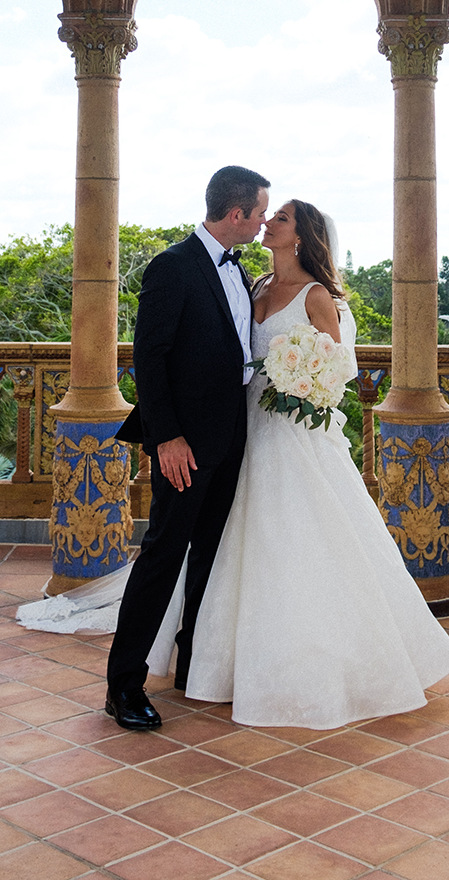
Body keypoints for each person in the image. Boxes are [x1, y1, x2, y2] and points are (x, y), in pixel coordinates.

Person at [179, 198, 449, 729]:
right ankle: (228, 661)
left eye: (279, 218)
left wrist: (298, 383)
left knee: (295, 541)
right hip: (244, 428)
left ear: (301, 236)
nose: (267, 223)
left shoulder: (315, 297)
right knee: (235, 540)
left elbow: (334, 372)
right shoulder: (254, 287)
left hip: (293, 435)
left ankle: (305, 669)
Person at [103, 164, 270, 731]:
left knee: (210, 557)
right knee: (162, 556)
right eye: (260, 212)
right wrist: (166, 437)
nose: (264, 222)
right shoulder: (172, 268)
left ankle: (192, 661)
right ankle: (123, 685)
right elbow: (147, 359)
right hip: (185, 448)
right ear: (235, 213)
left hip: (233, 442)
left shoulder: (240, 271)